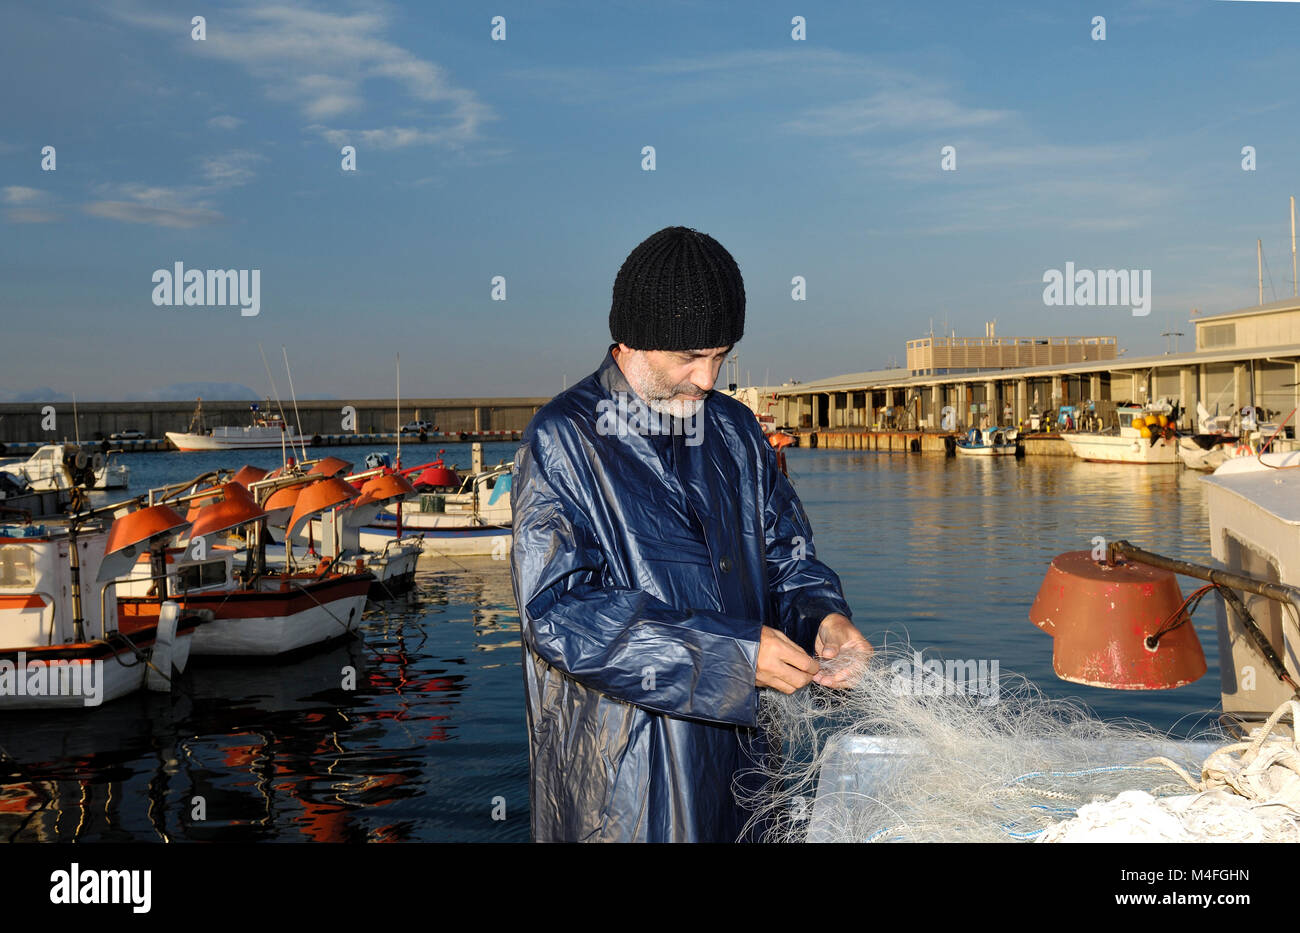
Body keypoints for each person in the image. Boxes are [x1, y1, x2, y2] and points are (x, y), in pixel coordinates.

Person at [510, 226, 871, 842]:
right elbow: (559, 612)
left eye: (720, 356)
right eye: (689, 358)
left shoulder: (735, 431)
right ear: (633, 340)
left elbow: (786, 557)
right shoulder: (563, 438)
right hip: (625, 779)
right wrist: (730, 654)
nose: (707, 379)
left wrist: (823, 619)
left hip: (749, 770)